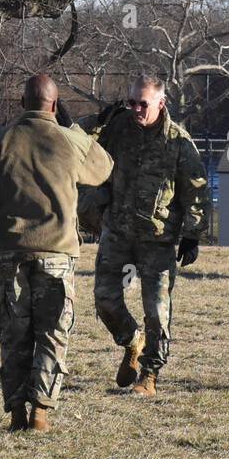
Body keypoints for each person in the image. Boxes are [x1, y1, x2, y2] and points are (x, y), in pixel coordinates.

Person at [0, 75, 114, 432]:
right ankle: (41, 412)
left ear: (22, 103)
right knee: (52, 334)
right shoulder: (68, 141)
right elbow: (104, 166)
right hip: (57, 254)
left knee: (14, 335)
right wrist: (75, 128)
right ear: (54, 103)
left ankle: (16, 411)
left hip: (10, 252)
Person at [92, 74, 208, 396]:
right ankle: (132, 341)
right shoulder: (118, 129)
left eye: (143, 103)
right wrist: (101, 119)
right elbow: (85, 149)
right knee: (104, 299)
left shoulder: (178, 142)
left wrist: (193, 234)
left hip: (158, 238)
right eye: (132, 102)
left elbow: (196, 190)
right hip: (117, 231)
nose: (137, 109)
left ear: (161, 102)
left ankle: (150, 373)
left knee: (156, 312)